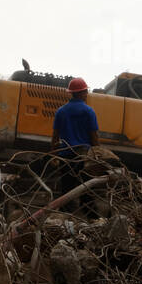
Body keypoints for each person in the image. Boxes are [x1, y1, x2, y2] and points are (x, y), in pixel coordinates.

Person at [50, 77, 99, 214]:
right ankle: (90, 216)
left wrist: (53, 155)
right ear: (81, 92)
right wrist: (98, 155)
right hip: (83, 157)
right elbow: (94, 136)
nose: (87, 93)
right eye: (85, 91)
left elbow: (55, 136)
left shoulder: (61, 111)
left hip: (66, 157)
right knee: (86, 188)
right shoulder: (89, 111)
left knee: (67, 189)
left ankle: (66, 216)